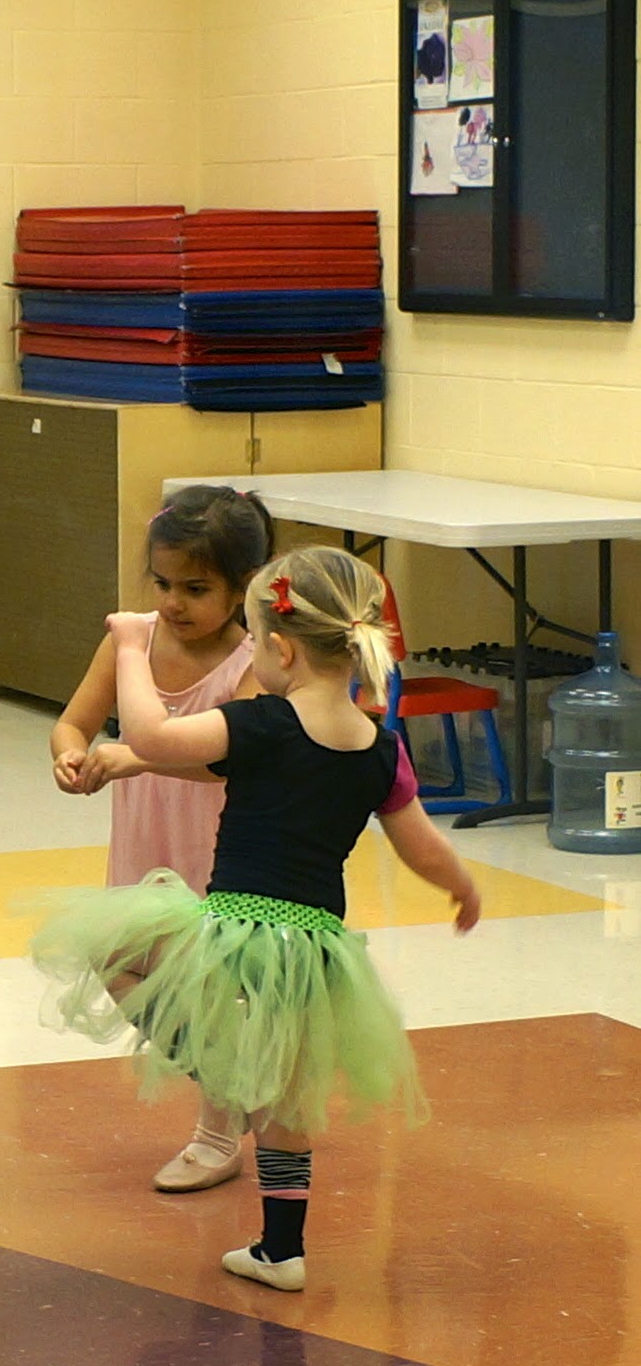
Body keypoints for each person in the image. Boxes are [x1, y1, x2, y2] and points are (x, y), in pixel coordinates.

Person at [32, 545, 480, 1292]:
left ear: (277, 648)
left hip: (234, 924)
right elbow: (422, 846)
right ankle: (281, 1249)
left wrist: (133, 649)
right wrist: (462, 886)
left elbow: (152, 738)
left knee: (114, 947)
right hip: (314, 949)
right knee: (287, 1104)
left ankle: (218, 1071)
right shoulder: (380, 749)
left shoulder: (261, 724)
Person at [50, 485, 273, 1195]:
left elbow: (223, 760)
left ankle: (216, 1130)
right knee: (115, 957)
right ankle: (231, 1082)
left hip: (213, 849)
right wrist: (69, 752)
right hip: (144, 847)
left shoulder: (252, 665)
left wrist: (134, 756)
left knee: (207, 984)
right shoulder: (132, 639)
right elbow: (74, 720)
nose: (173, 602)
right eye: (163, 583)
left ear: (242, 590)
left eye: (196, 588)